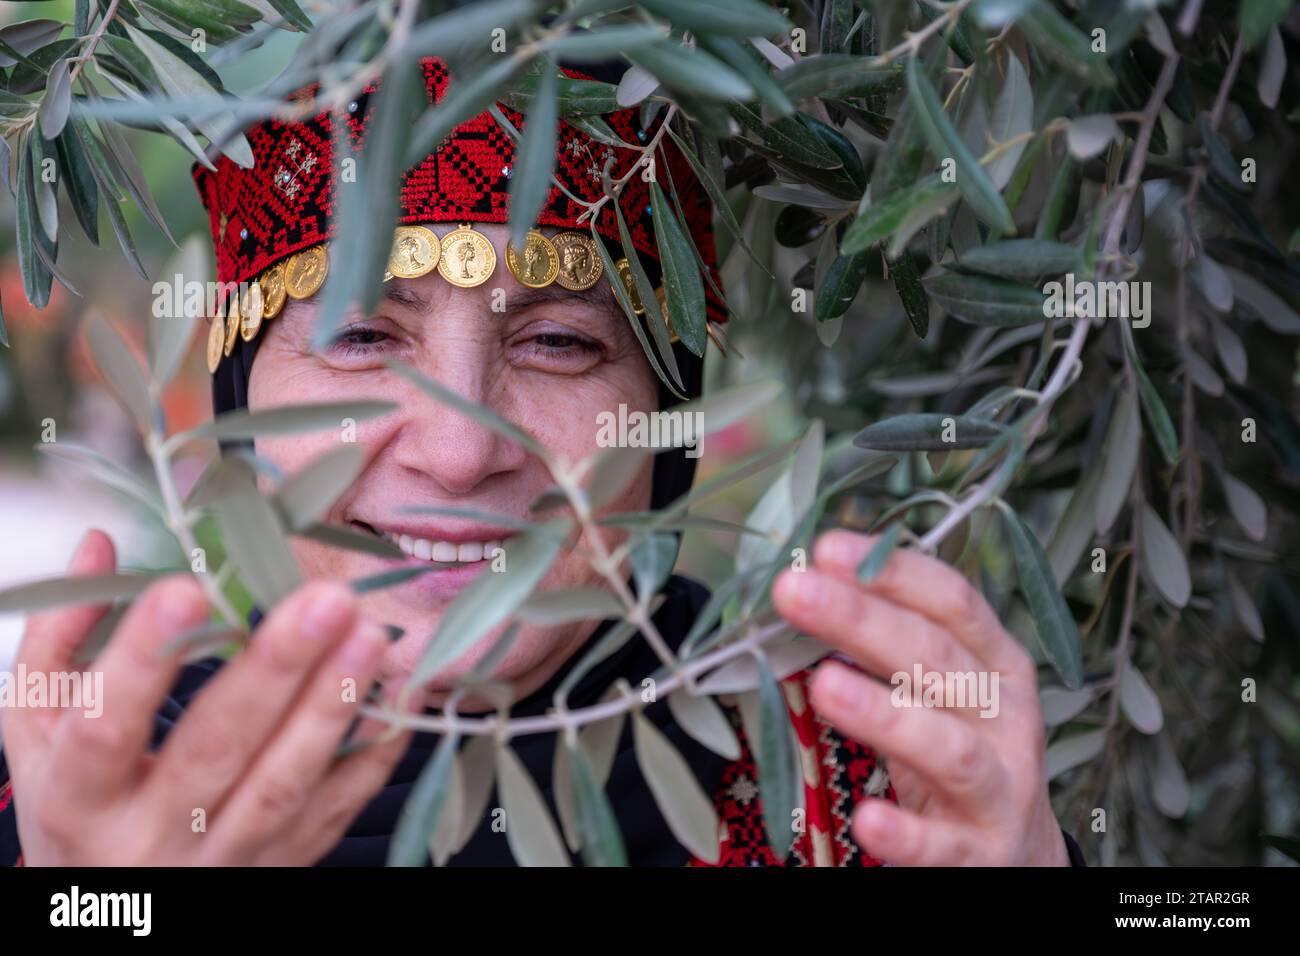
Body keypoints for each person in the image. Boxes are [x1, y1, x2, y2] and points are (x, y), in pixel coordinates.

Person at [0, 58, 1082, 867]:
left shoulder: (878, 780)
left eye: (560, 343)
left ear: (667, 416)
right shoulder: (64, 791)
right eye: (362, 336)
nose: (464, 449)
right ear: (243, 399)